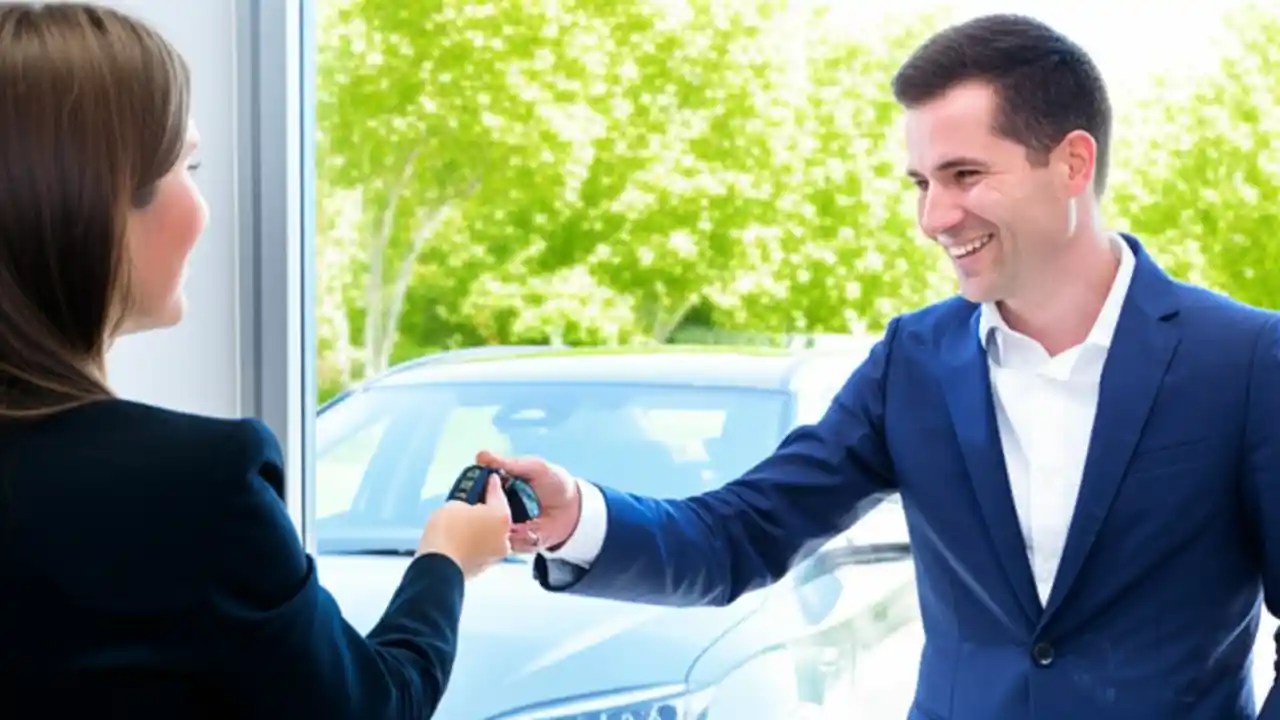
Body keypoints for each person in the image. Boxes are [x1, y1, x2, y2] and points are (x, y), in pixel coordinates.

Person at [479, 13, 1280, 720]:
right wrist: (576, 513)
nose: (935, 217)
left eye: (966, 175)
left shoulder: (1245, 360)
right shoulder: (913, 363)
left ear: (1072, 164)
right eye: (922, 183)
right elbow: (742, 535)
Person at [0, 4, 511, 718]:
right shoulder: (191, 487)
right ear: (97, 202)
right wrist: (447, 560)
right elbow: (373, 708)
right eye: (189, 163)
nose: (203, 206)